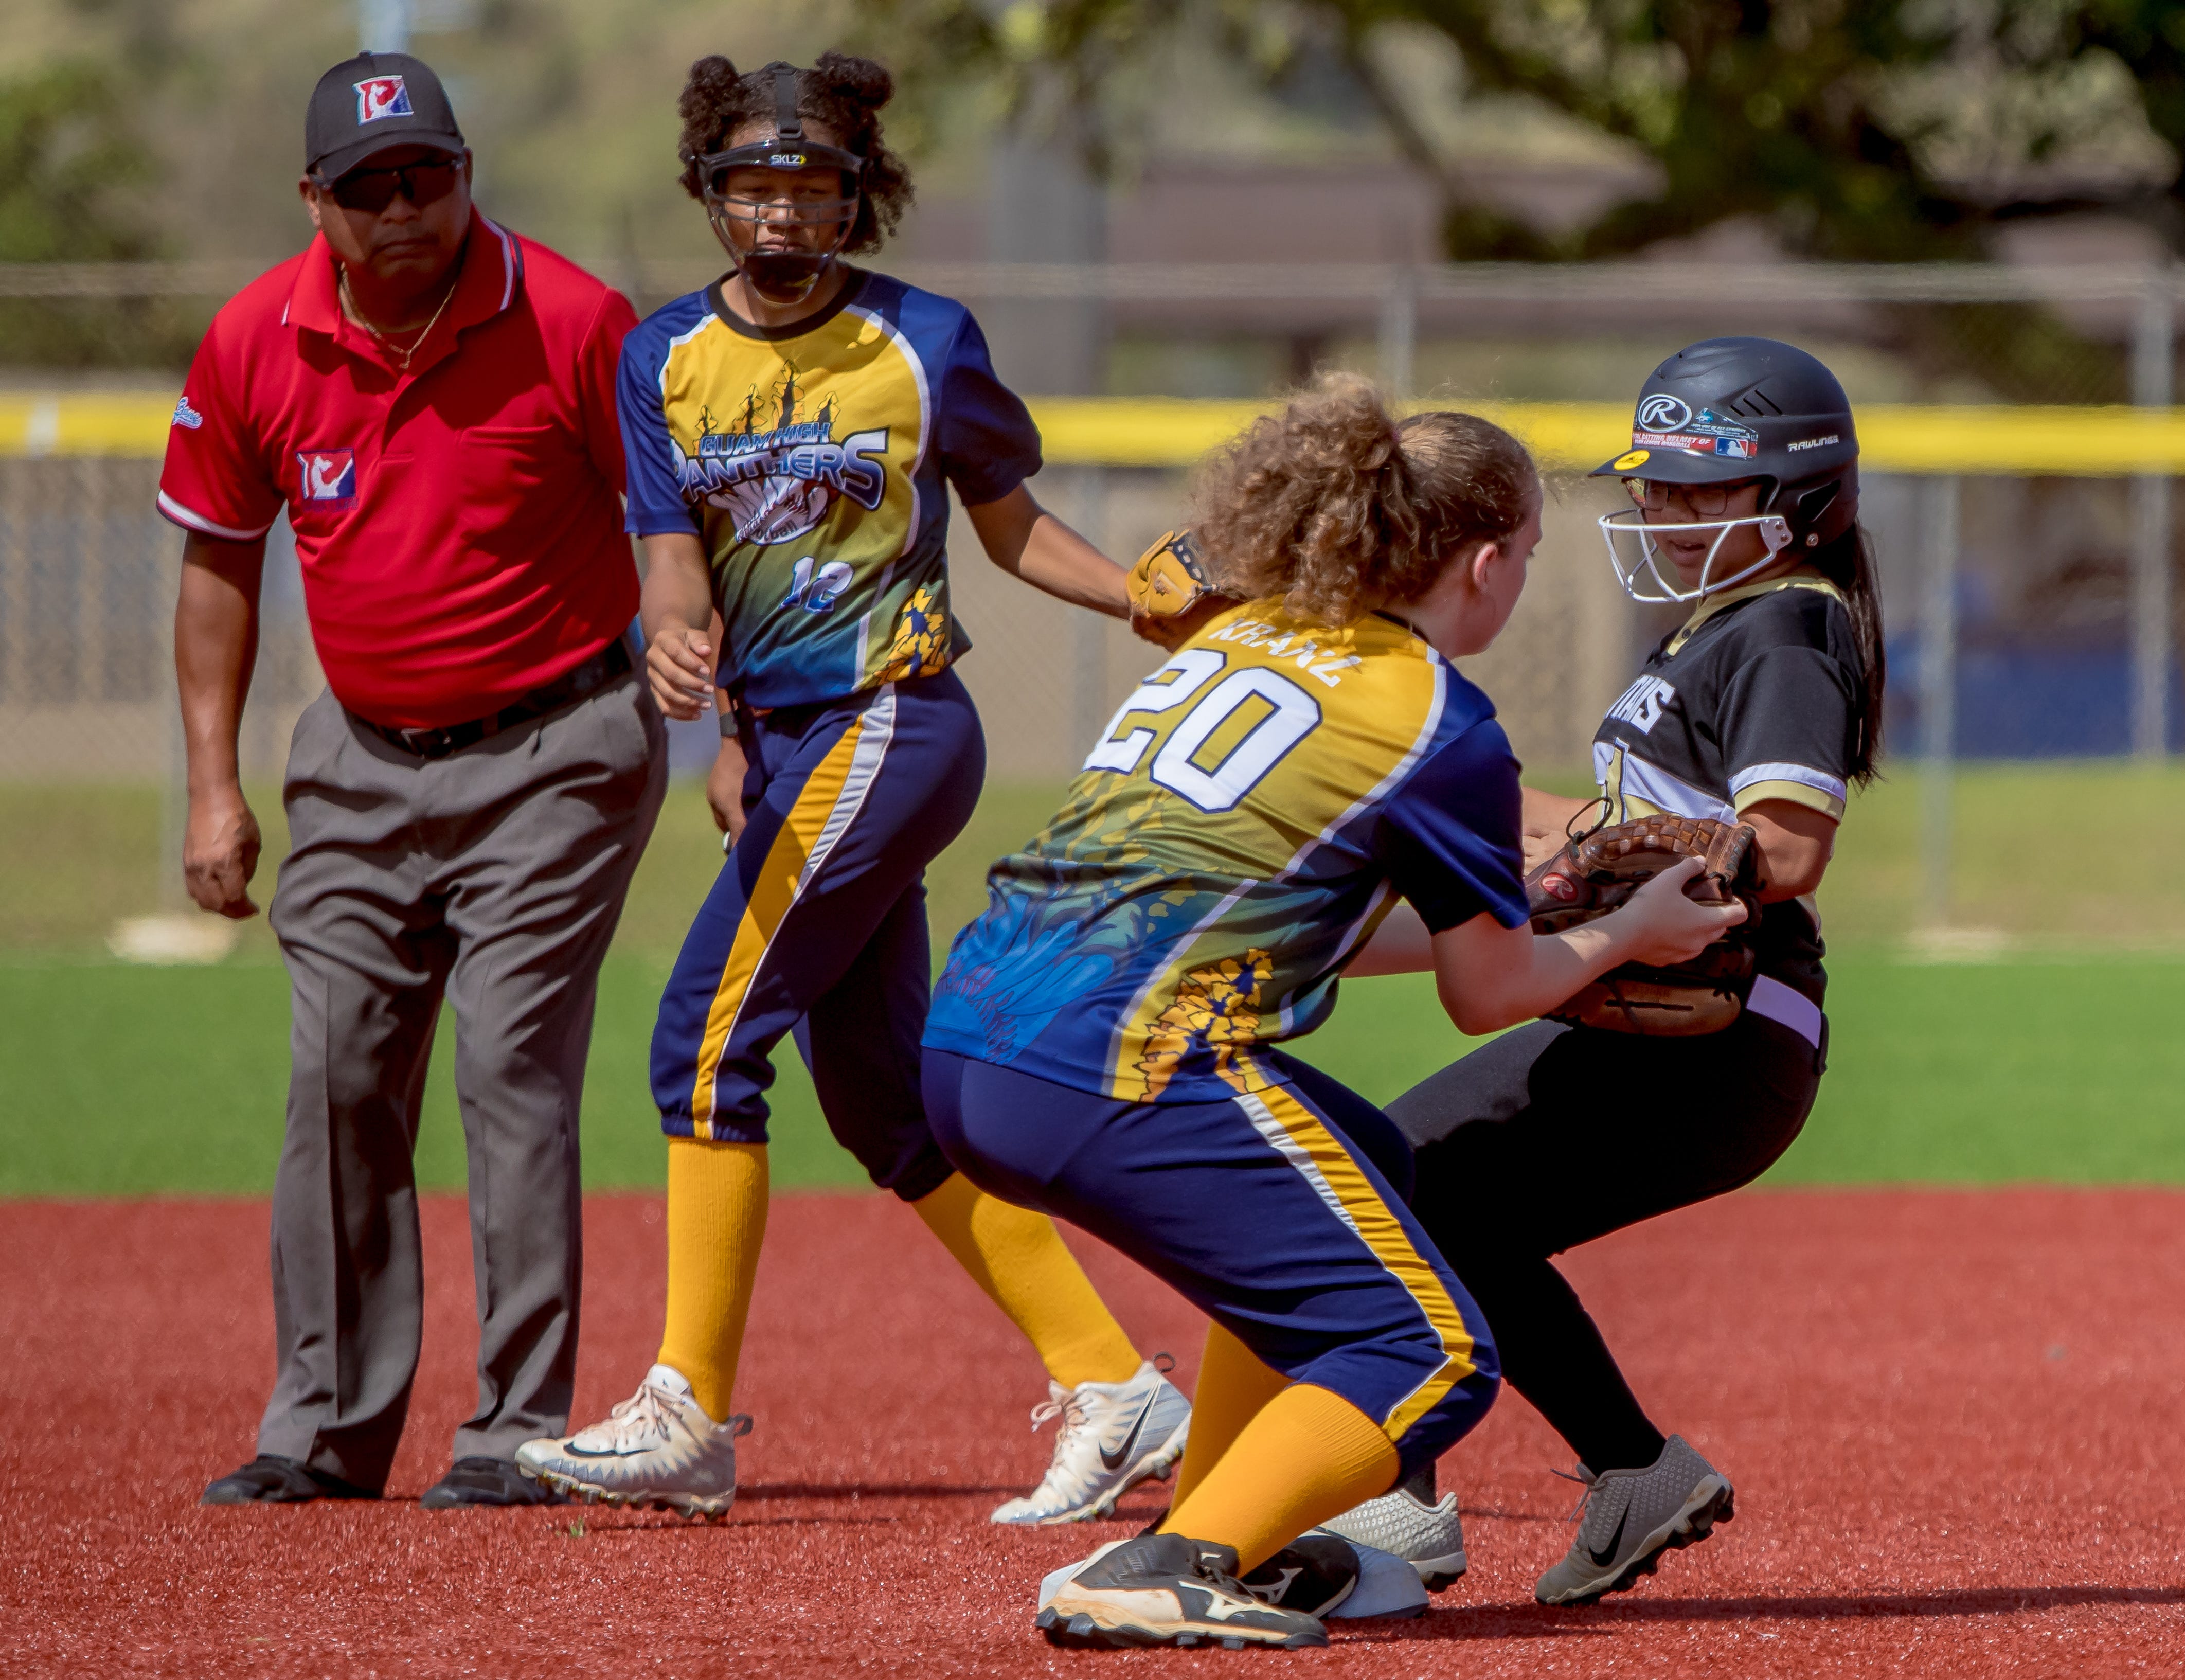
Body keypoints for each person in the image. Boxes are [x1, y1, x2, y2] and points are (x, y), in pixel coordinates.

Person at [920, 376, 1750, 1650]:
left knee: (1372, 1164)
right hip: (1121, 1062)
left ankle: (1219, 1531)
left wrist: (1538, 916)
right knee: (1427, 1353)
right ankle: (1166, 1563)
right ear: (1482, 563)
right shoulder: (1435, 719)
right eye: (1527, 552)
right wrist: (1628, 932)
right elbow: (1490, 996)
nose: (1520, 574)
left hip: (974, 1041)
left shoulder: (1244, 637)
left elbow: (1318, 921)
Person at [515, 53, 1187, 1526]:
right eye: (752, 183)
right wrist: (683, 655)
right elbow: (674, 558)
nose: (780, 209)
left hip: (893, 722)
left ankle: (687, 1408)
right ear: (708, 192)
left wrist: (1144, 597)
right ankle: (1112, 1383)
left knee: (701, 1046)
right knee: (883, 1105)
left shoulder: (924, 339)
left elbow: (1012, 529)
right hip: (789, 745)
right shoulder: (661, 355)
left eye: (810, 183)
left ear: (856, 194)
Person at [166, 53, 666, 1509]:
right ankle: (323, 1429)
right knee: (336, 1073)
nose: (403, 210)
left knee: (508, 1064)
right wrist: (213, 786)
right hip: (359, 758)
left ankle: (513, 1429)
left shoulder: (572, 318)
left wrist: (738, 728)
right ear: (314, 200)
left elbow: (675, 531)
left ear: (465, 175)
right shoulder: (254, 338)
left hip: (560, 746)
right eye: (368, 187)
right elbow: (217, 565)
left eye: (426, 176)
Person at [1316, 336, 1880, 1606]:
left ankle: (1402, 1503)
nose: (1668, 509)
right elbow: (1615, 827)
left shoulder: (1787, 625)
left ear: (1797, 495)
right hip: (1661, 1019)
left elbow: (1787, 847)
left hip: (1723, 1029)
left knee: (1401, 1186)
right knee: (1430, 1197)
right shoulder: (1718, 625)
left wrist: (1604, 880)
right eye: (1657, 484)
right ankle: (1624, 1471)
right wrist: (1470, 811)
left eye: (1702, 485)